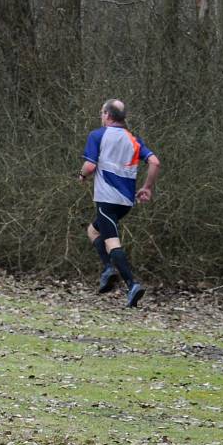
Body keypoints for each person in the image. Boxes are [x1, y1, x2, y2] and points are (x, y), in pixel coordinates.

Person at [78, 98, 162, 307]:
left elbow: (90, 166)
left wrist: (82, 175)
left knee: (111, 242)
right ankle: (108, 269)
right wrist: (147, 187)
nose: (101, 116)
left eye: (102, 113)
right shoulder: (133, 139)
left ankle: (132, 285)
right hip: (126, 202)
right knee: (93, 230)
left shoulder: (98, 135)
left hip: (107, 198)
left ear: (107, 114)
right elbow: (154, 162)